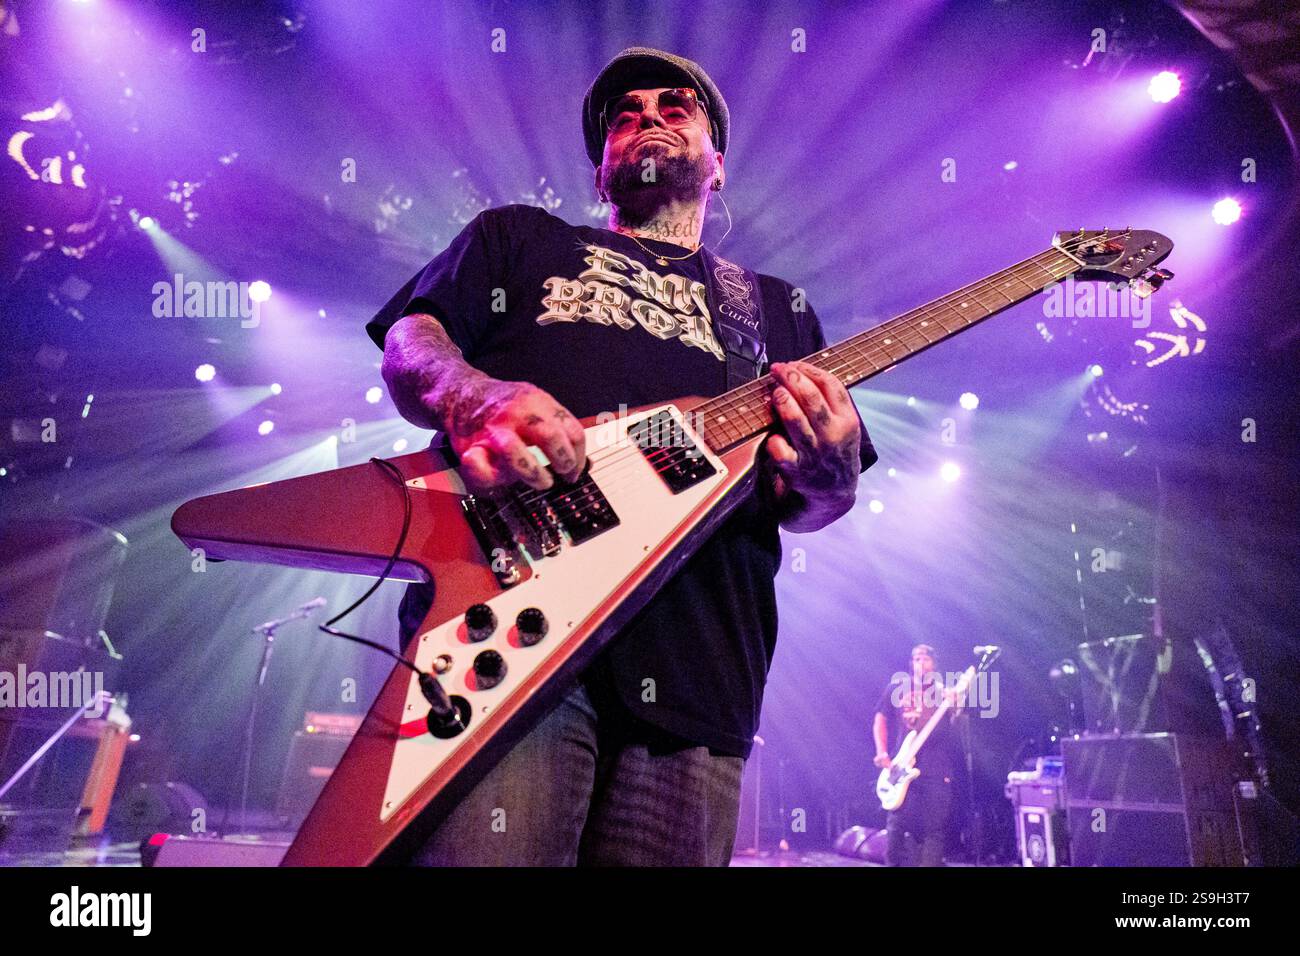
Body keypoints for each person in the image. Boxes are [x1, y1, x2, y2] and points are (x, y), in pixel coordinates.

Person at [368, 47, 877, 866]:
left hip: (698, 673)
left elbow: (810, 500)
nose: (646, 114)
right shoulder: (517, 239)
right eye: (623, 112)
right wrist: (470, 396)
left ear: (718, 166)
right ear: (602, 172)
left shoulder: (778, 309)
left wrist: (832, 476)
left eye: (676, 105)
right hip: (500, 630)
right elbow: (410, 340)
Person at [873, 644, 963, 866]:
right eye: (916, 659)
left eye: (925, 659)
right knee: (896, 833)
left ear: (934, 664)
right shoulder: (897, 688)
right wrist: (882, 752)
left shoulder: (944, 693)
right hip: (901, 770)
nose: (920, 664)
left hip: (936, 772)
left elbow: (958, 723)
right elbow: (880, 719)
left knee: (932, 833)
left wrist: (956, 704)